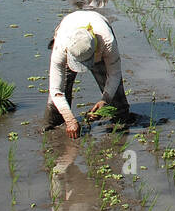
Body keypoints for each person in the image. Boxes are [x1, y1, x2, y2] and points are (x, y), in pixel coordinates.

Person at [45, 9, 133, 137]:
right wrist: (70, 120)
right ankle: (54, 128)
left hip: (99, 33)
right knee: (56, 104)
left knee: (117, 102)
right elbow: (56, 90)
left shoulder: (107, 41)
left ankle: (121, 122)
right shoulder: (61, 45)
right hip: (69, 25)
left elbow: (114, 74)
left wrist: (105, 100)